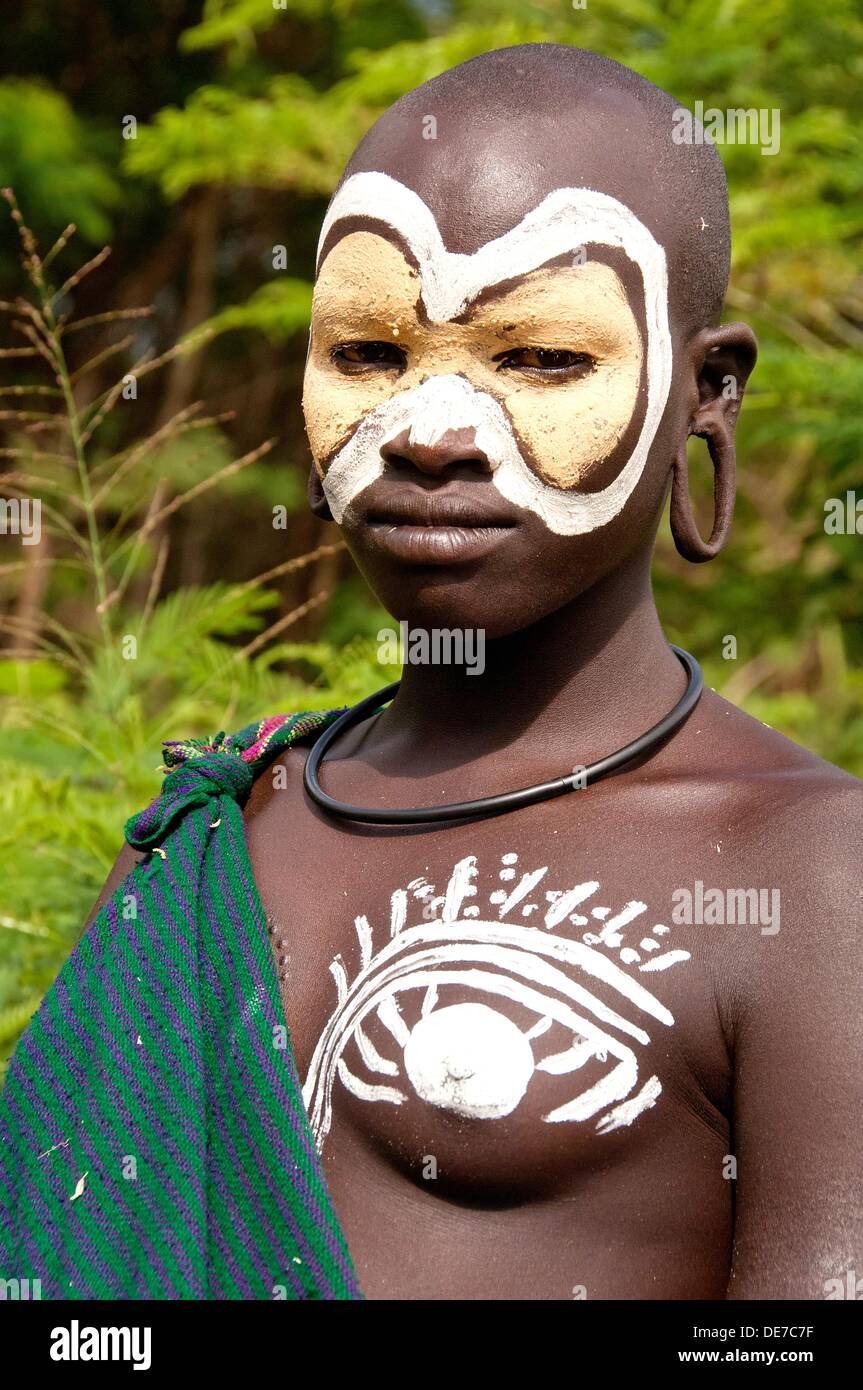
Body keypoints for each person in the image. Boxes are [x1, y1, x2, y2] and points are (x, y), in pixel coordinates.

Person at [1, 44, 859, 1302]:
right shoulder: (213, 829)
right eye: (368, 354)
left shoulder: (811, 878)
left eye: (540, 360)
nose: (428, 432)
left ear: (704, 395)